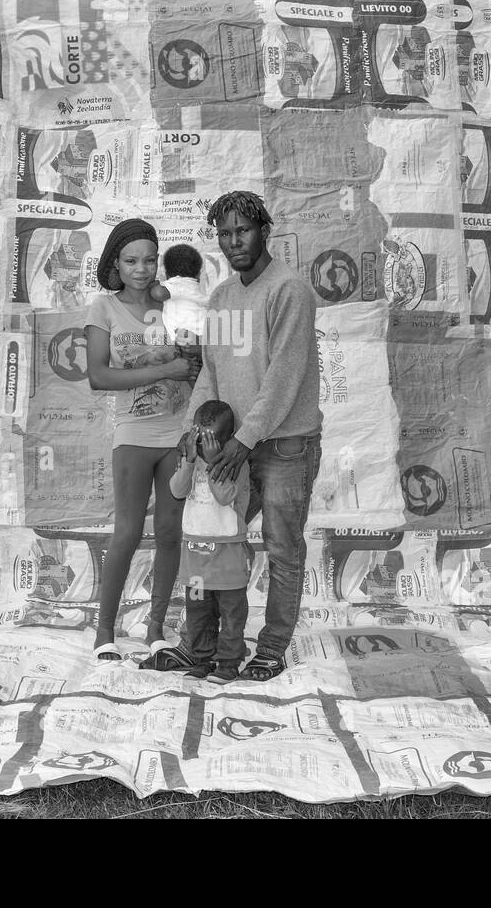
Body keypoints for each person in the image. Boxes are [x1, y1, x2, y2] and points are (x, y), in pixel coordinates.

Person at [155, 191, 323, 682]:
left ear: (264, 230)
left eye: (242, 231)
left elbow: (283, 378)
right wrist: (192, 432)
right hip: (230, 448)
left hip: (283, 444)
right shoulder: (223, 296)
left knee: (282, 546)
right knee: (208, 538)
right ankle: (202, 646)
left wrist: (244, 441)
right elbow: (210, 373)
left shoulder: (288, 290)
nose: (234, 242)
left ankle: (271, 648)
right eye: (225, 234)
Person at [85, 218, 201, 661]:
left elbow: (196, 355)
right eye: (132, 260)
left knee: (170, 533)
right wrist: (164, 370)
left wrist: (191, 355)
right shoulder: (103, 308)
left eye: (150, 260)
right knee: (128, 533)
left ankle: (155, 628)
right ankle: (104, 632)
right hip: (133, 435)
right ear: (116, 262)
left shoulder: (171, 305)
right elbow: (98, 376)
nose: (142, 269)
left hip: (177, 434)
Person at [167, 401, 253, 684]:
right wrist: (190, 462)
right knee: (198, 613)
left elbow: (225, 496)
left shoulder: (234, 464)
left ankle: (228, 663)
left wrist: (215, 460)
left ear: (227, 439)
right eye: (199, 438)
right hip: (195, 557)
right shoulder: (190, 459)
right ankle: (203, 659)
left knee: (231, 613)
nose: (204, 446)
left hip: (227, 556)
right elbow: (177, 491)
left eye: (211, 440)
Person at [148, 243, 208, 359]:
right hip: (201, 338)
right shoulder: (195, 288)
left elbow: (159, 293)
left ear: (167, 274)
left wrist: (153, 285)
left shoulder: (177, 284)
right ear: (198, 275)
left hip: (181, 339)